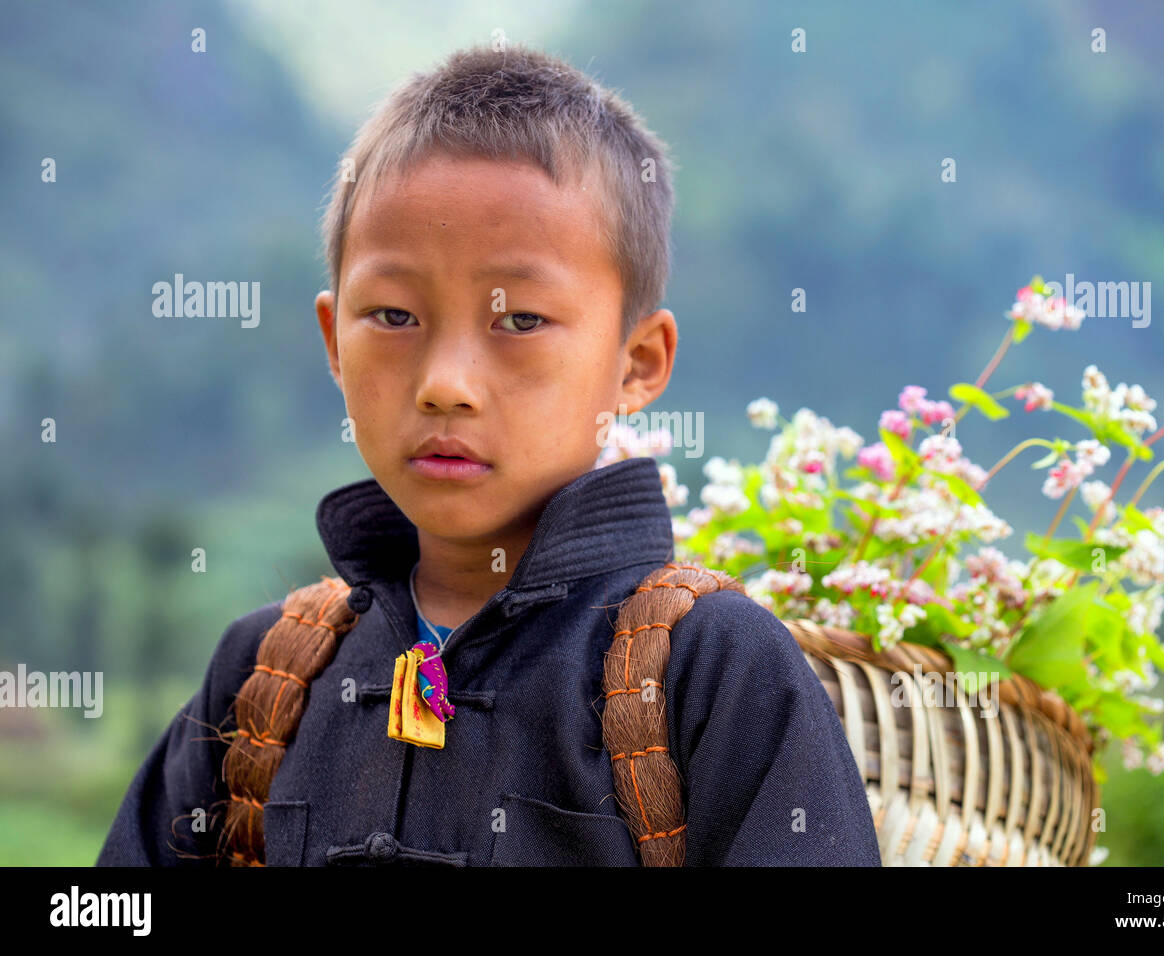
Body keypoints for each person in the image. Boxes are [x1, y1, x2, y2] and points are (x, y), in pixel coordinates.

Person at [96, 41, 882, 867]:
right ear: (334, 340)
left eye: (519, 321)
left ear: (637, 362)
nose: (446, 385)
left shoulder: (711, 672)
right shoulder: (267, 677)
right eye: (395, 317)